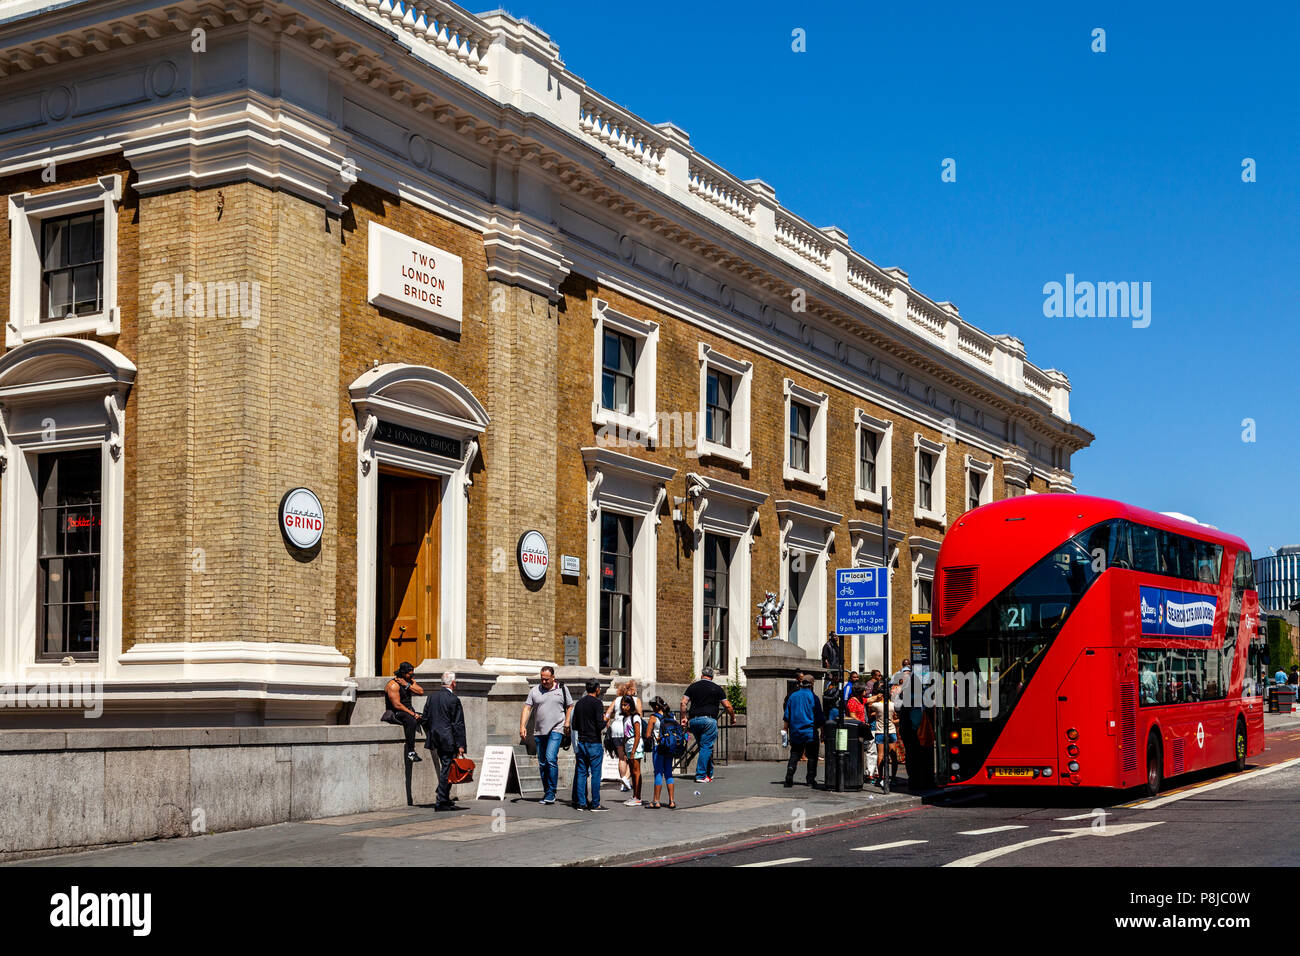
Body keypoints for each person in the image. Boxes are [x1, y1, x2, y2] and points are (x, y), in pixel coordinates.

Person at [519, 665, 573, 805]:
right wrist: (522, 726)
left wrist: (567, 722)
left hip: (557, 728)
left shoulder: (562, 688)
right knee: (542, 763)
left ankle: (551, 792)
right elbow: (527, 708)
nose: (544, 682)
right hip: (539, 731)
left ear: (553, 678)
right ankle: (547, 790)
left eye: (547, 679)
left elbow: (570, 706)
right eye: (542, 679)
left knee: (550, 758)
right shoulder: (535, 690)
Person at [421, 671, 466, 810]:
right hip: (449, 740)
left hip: (436, 738)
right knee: (447, 769)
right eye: (455, 681)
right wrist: (460, 744)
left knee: (447, 767)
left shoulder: (432, 697)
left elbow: (425, 719)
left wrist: (432, 732)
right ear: (453, 683)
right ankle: (440, 801)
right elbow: (458, 724)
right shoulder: (454, 699)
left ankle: (444, 797)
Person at [681, 666, 733, 783]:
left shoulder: (692, 687)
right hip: (709, 720)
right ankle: (700, 775)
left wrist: (684, 717)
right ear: (712, 677)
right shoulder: (717, 688)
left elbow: (683, 702)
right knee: (706, 747)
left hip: (694, 721)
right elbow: (728, 706)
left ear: (701, 675)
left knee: (703, 746)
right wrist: (732, 717)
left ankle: (709, 773)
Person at [571, 678, 609, 812]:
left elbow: (574, 725)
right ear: (597, 689)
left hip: (581, 741)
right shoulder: (598, 703)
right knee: (595, 774)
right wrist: (606, 721)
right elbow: (600, 725)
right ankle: (595, 803)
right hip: (594, 742)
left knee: (581, 773)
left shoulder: (579, 703)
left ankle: (581, 803)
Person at [783, 676, 824, 788]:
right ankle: (810, 780)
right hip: (810, 731)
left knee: (795, 753)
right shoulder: (813, 697)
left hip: (795, 731)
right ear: (812, 684)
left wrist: (785, 729)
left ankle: (789, 773)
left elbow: (787, 716)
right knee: (812, 756)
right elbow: (819, 717)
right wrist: (823, 732)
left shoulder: (793, 696)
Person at [385, 662, 425, 764]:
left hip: (408, 710)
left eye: (413, 674)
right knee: (411, 721)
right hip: (396, 712)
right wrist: (413, 714)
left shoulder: (409, 682)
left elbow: (421, 691)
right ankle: (411, 752)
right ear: (403, 673)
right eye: (410, 674)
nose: (412, 676)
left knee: (427, 717)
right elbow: (397, 705)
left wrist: (407, 685)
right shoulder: (393, 685)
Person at [644, 696, 678, 809]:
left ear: (656, 706)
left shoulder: (653, 718)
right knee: (669, 773)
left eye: (652, 706)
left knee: (658, 773)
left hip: (659, 748)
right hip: (670, 748)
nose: (652, 709)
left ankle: (656, 801)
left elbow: (648, 735)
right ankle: (672, 801)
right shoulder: (672, 716)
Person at [868, 691, 899, 787]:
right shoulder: (893, 705)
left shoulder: (877, 705)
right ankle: (893, 777)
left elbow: (868, 704)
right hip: (891, 731)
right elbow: (897, 717)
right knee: (893, 756)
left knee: (880, 755)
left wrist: (876, 698)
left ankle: (880, 778)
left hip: (880, 732)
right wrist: (894, 721)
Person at [619, 695, 644, 806]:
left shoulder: (636, 717)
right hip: (628, 745)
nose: (623, 707)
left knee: (636, 771)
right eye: (622, 705)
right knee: (633, 772)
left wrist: (633, 750)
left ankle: (638, 797)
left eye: (625, 705)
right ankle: (635, 795)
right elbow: (625, 735)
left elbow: (637, 735)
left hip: (635, 745)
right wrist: (625, 749)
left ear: (630, 705)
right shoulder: (625, 718)